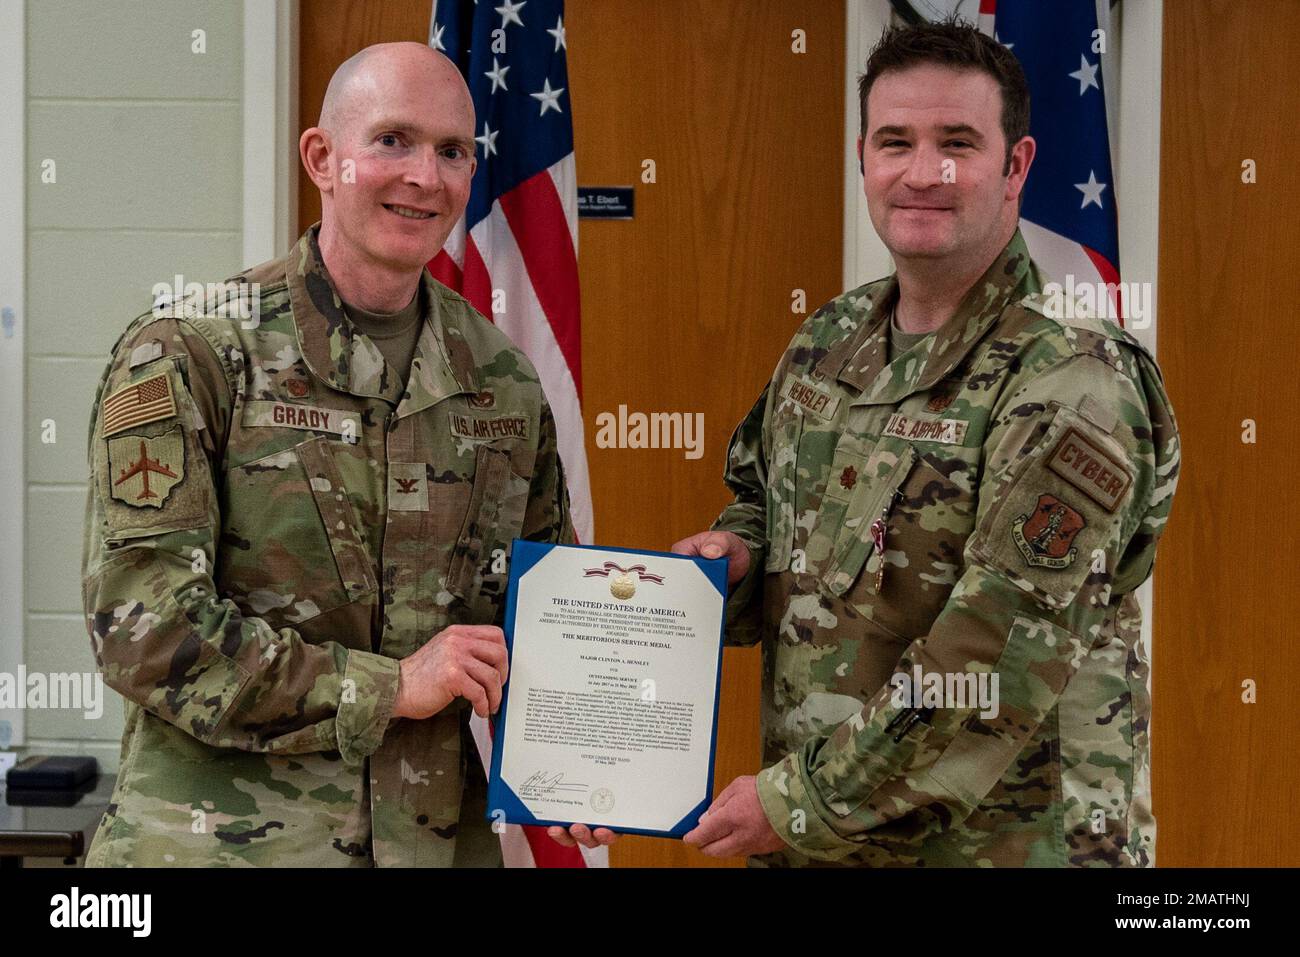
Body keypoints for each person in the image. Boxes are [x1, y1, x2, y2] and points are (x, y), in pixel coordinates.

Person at [667, 20, 1181, 866]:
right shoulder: (830, 340)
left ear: (1016, 166)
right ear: (862, 156)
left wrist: (796, 801)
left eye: (958, 143)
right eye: (896, 141)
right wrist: (736, 558)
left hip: (1001, 846)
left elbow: (991, 654)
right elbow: (766, 505)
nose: (923, 172)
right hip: (826, 843)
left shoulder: (1073, 378)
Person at [81, 42, 577, 867]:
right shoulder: (192, 352)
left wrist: (583, 766)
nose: (426, 175)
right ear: (323, 157)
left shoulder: (501, 381)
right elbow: (147, 627)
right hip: (224, 850)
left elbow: (542, 615)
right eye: (393, 140)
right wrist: (389, 686)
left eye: (453, 151)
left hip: (432, 845)